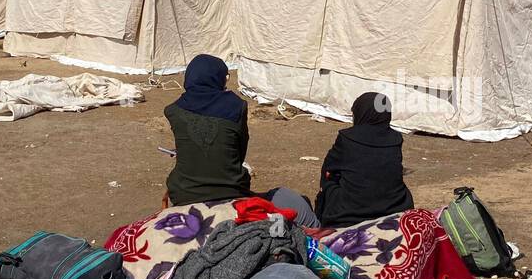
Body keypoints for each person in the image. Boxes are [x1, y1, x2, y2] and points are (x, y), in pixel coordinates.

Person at [164, 54, 319, 225]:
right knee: (292, 201)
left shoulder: (173, 110)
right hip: (230, 190)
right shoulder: (237, 106)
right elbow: (239, 153)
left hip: (184, 192)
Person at [313, 92, 414, 229]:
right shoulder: (395, 139)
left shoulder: (347, 138)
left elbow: (329, 167)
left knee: (329, 183)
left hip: (351, 213)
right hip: (393, 208)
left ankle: (321, 221)